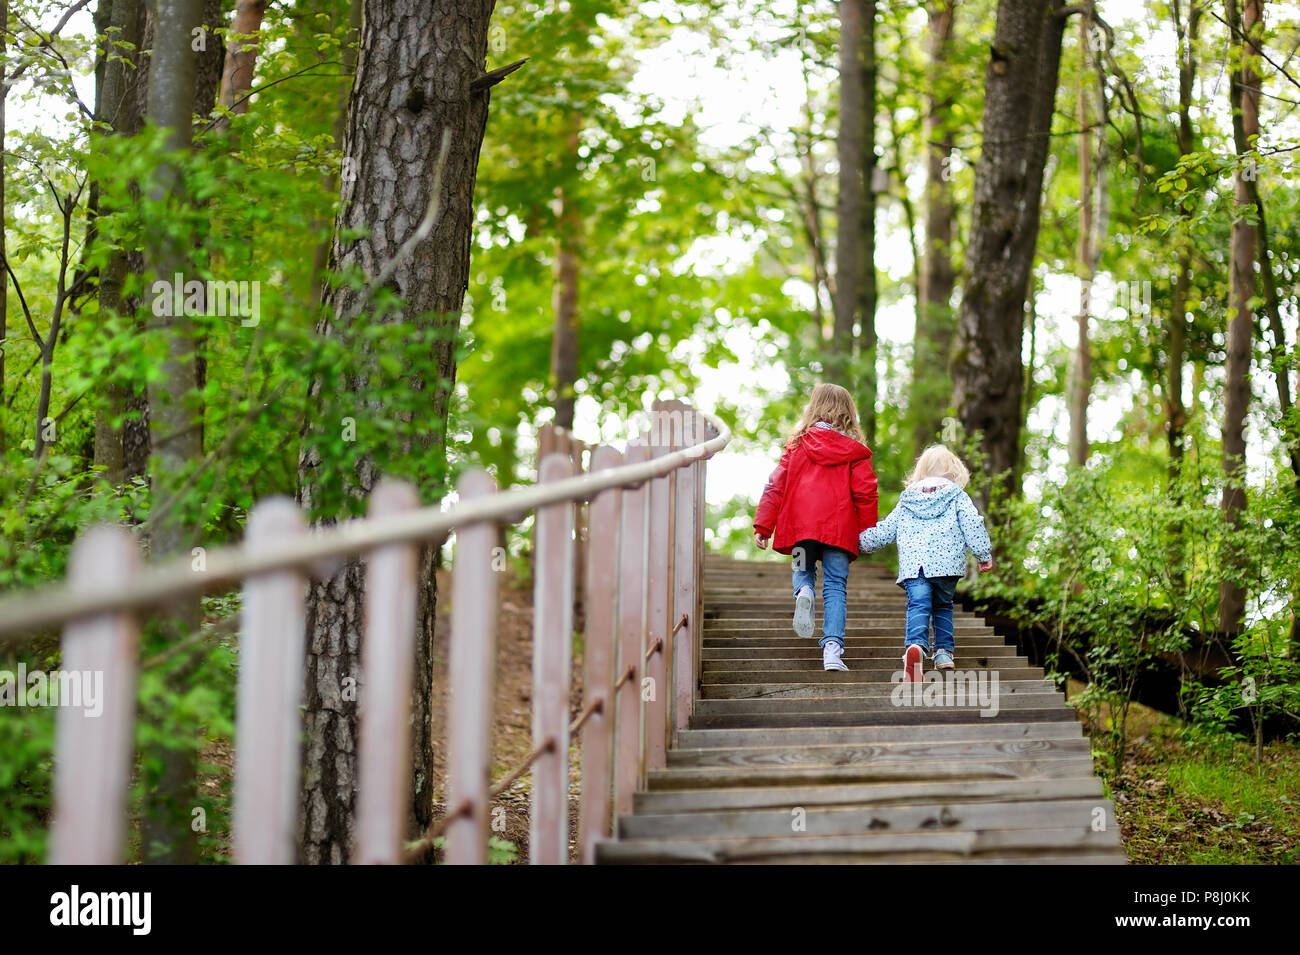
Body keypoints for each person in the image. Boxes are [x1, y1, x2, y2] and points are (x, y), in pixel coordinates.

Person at [753, 383, 878, 671]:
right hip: (839, 530)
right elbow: (866, 493)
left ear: (813, 408)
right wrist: (867, 531)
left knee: (802, 567)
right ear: (849, 413)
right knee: (835, 586)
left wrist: (764, 524)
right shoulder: (856, 452)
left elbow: (775, 485)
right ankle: (832, 651)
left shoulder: (796, 446)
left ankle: (804, 592)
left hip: (800, 530)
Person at [857, 444, 993, 682]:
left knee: (918, 605)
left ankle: (916, 648)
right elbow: (973, 524)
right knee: (942, 607)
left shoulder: (908, 499)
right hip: (947, 567)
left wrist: (859, 542)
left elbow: (887, 530)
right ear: (954, 472)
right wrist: (983, 554)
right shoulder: (958, 496)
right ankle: (943, 654)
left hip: (915, 567)